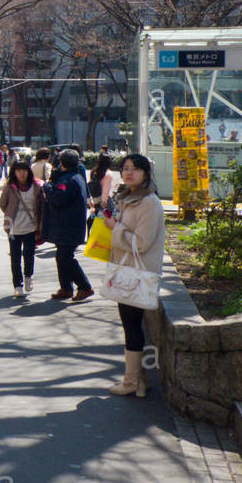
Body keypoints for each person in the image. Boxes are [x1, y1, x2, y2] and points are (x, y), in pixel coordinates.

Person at [102, 153, 165, 397]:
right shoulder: (129, 199)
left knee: (132, 326)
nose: (129, 173)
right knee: (131, 325)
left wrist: (115, 228)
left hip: (137, 273)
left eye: (135, 169)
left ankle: (131, 382)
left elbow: (141, 242)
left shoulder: (148, 202)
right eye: (125, 168)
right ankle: (140, 380)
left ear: (146, 174)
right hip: (130, 272)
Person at [44, 149, 95, 301]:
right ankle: (66, 288)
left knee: (65, 257)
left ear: (61, 163)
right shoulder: (76, 176)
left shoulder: (67, 180)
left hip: (67, 226)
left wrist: (47, 188)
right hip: (72, 225)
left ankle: (85, 286)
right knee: (62, 257)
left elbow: (58, 198)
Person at [0, 159, 44, 298]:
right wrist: (11, 213)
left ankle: (28, 277)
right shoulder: (9, 188)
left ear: (28, 171)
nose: (22, 173)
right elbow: (3, 204)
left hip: (31, 227)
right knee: (15, 258)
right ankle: (17, 286)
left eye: (24, 170)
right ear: (14, 173)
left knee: (29, 255)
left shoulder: (36, 187)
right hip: (13, 228)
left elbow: (41, 205)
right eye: (18, 171)